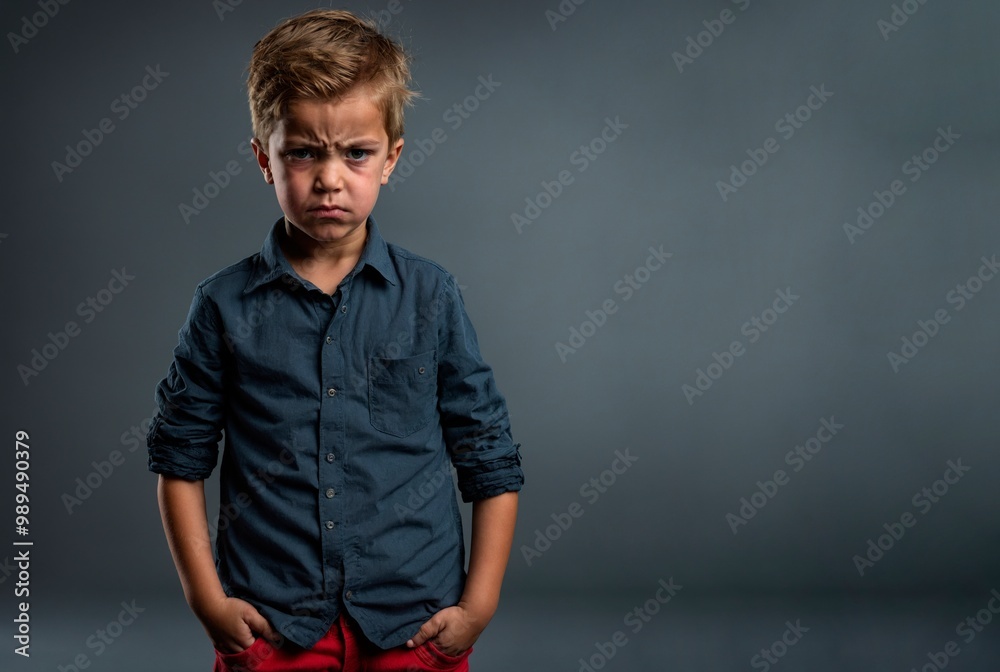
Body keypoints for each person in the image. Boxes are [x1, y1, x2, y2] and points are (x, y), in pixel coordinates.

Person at [147, 9, 523, 671]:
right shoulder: (221, 305)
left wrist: (480, 605)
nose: (329, 178)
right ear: (264, 159)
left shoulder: (431, 296)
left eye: (356, 153)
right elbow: (180, 458)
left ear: (391, 158)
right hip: (272, 622)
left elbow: (488, 453)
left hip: (415, 620)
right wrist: (207, 601)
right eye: (303, 152)